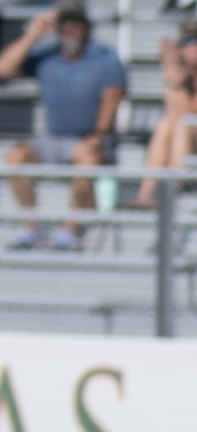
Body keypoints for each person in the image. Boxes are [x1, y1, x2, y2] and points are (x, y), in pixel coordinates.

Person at [0, 2, 125, 252]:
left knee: (86, 158)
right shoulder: (48, 57)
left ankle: (69, 231)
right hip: (53, 137)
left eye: (75, 25)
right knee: (16, 157)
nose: (70, 30)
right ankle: (32, 228)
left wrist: (97, 136)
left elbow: (111, 101)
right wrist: (32, 35)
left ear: (86, 28)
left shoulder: (106, 59)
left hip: (88, 138)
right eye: (64, 25)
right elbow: (4, 70)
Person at [130, 23, 197, 211]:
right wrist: (172, 71)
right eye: (188, 42)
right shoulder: (182, 73)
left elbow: (193, 110)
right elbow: (174, 109)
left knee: (180, 123)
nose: (194, 47)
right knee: (167, 124)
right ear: (181, 48)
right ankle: (146, 193)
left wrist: (173, 76)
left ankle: (172, 189)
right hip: (186, 136)